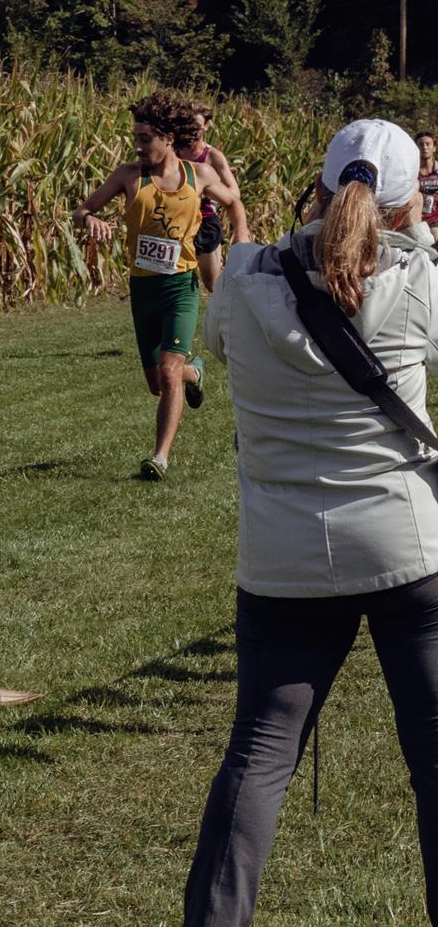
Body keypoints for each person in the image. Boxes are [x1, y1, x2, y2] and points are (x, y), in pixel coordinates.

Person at [183, 119, 438, 925]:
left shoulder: (244, 285)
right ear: (409, 206)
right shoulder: (419, 282)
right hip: (406, 546)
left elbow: (225, 324)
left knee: (258, 757)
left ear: (320, 189)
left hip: (283, 559)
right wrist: (415, 235)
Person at [75, 92, 249, 479]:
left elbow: (233, 201)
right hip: (143, 291)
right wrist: (90, 220)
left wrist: (240, 233)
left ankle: (160, 457)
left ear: (168, 138)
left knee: (169, 373)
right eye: (135, 137)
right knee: (158, 382)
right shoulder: (127, 175)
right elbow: (83, 209)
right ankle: (195, 372)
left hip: (180, 287)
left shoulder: (198, 175)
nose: (138, 146)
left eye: (145, 138)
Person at [176, 102, 246, 293]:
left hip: (205, 220)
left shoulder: (212, 156)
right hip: (177, 219)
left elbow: (234, 193)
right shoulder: (174, 152)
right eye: (188, 125)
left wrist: (208, 189)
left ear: (206, 126)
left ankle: (229, 303)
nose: (192, 131)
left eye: (197, 127)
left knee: (212, 283)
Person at [417, 130, 438, 228]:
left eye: (428, 144)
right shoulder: (411, 172)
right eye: (421, 145)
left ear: (434, 148)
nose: (424, 147)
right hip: (417, 220)